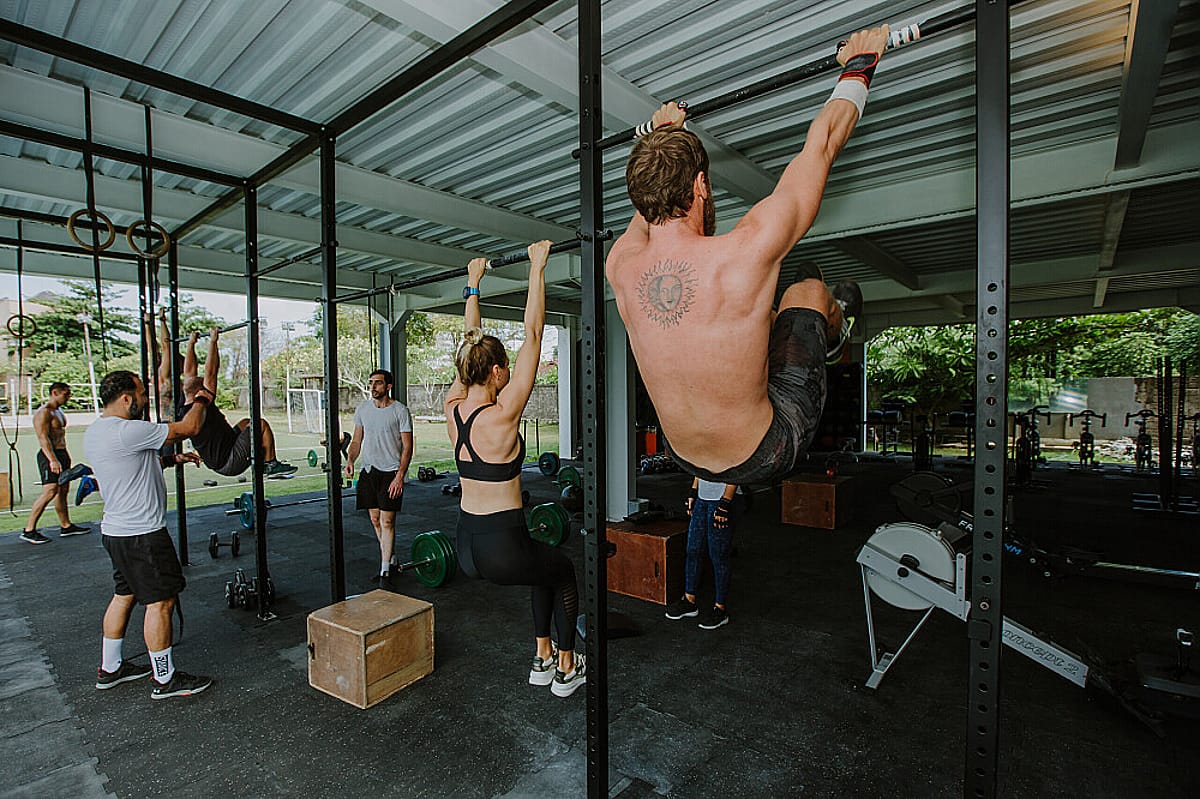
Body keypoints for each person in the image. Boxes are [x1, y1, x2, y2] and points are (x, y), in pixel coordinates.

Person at [605, 25, 890, 485]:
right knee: (807, 288)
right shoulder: (745, 252)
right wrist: (859, 68)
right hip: (767, 449)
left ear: (639, 200)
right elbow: (821, 148)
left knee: (764, 311)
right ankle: (835, 335)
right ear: (700, 186)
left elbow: (648, 206)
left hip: (684, 455)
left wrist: (660, 137)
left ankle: (785, 320)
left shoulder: (620, 266)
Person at [443, 241, 585, 698]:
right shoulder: (503, 416)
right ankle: (566, 665)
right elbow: (535, 333)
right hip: (503, 544)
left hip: (466, 545)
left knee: (541, 565)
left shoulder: (452, 410)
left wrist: (473, 285)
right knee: (563, 572)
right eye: (503, 368)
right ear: (499, 372)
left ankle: (542, 655)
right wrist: (537, 267)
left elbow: (472, 346)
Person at [83, 370, 212, 699]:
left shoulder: (97, 430)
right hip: (143, 535)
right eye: (141, 394)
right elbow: (190, 427)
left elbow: (129, 466)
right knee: (161, 602)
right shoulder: (128, 430)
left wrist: (169, 460)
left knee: (123, 596)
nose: (144, 399)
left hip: (115, 532)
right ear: (126, 399)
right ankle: (164, 679)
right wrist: (201, 397)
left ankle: (110, 668)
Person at [177, 327, 296, 478]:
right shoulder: (203, 402)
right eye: (202, 382)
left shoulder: (186, 404)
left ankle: (264, 459)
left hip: (222, 450)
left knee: (246, 422)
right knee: (260, 425)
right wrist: (213, 341)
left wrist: (191, 343)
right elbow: (211, 372)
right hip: (228, 462)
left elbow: (189, 372)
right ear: (198, 390)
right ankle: (270, 464)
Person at [345, 369, 414, 588]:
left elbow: (408, 447)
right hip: (369, 471)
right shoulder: (363, 409)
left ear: (388, 386)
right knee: (375, 520)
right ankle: (391, 558)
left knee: (387, 521)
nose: (373, 387)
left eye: (378, 383)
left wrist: (400, 476)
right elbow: (356, 441)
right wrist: (350, 460)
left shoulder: (400, 411)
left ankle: (384, 571)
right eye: (371, 382)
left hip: (390, 473)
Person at [20, 382, 91, 544]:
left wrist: (62, 457)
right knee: (50, 491)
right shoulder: (43, 413)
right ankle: (29, 530)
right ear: (54, 392)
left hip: (61, 453)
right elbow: (43, 438)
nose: (68, 397)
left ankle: (66, 526)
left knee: (62, 490)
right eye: (65, 394)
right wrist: (52, 460)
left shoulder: (58, 411)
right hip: (49, 456)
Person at [666, 478, 737, 630]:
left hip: (721, 500)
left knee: (718, 555)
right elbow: (700, 465)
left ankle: (720, 609)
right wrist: (693, 491)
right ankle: (689, 601)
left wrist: (725, 502)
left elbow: (736, 471)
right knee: (693, 550)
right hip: (702, 500)